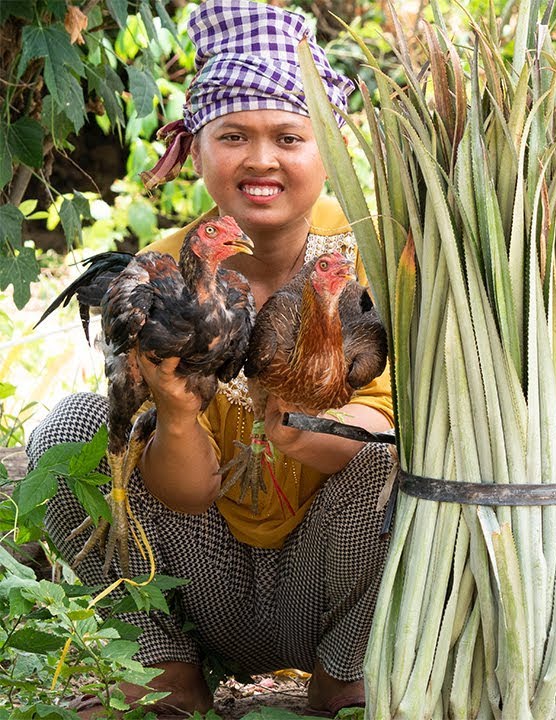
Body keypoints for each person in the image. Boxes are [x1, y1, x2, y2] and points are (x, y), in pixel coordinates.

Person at [27, 1, 394, 716]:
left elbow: (380, 438)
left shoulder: (376, 260)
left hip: (334, 575)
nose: (261, 158)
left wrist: (299, 430)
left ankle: (343, 675)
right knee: (69, 432)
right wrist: (176, 411)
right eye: (233, 135)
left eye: (289, 135)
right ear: (195, 148)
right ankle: (167, 669)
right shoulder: (163, 275)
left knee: (387, 452)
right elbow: (185, 494)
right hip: (201, 574)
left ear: (332, 148)